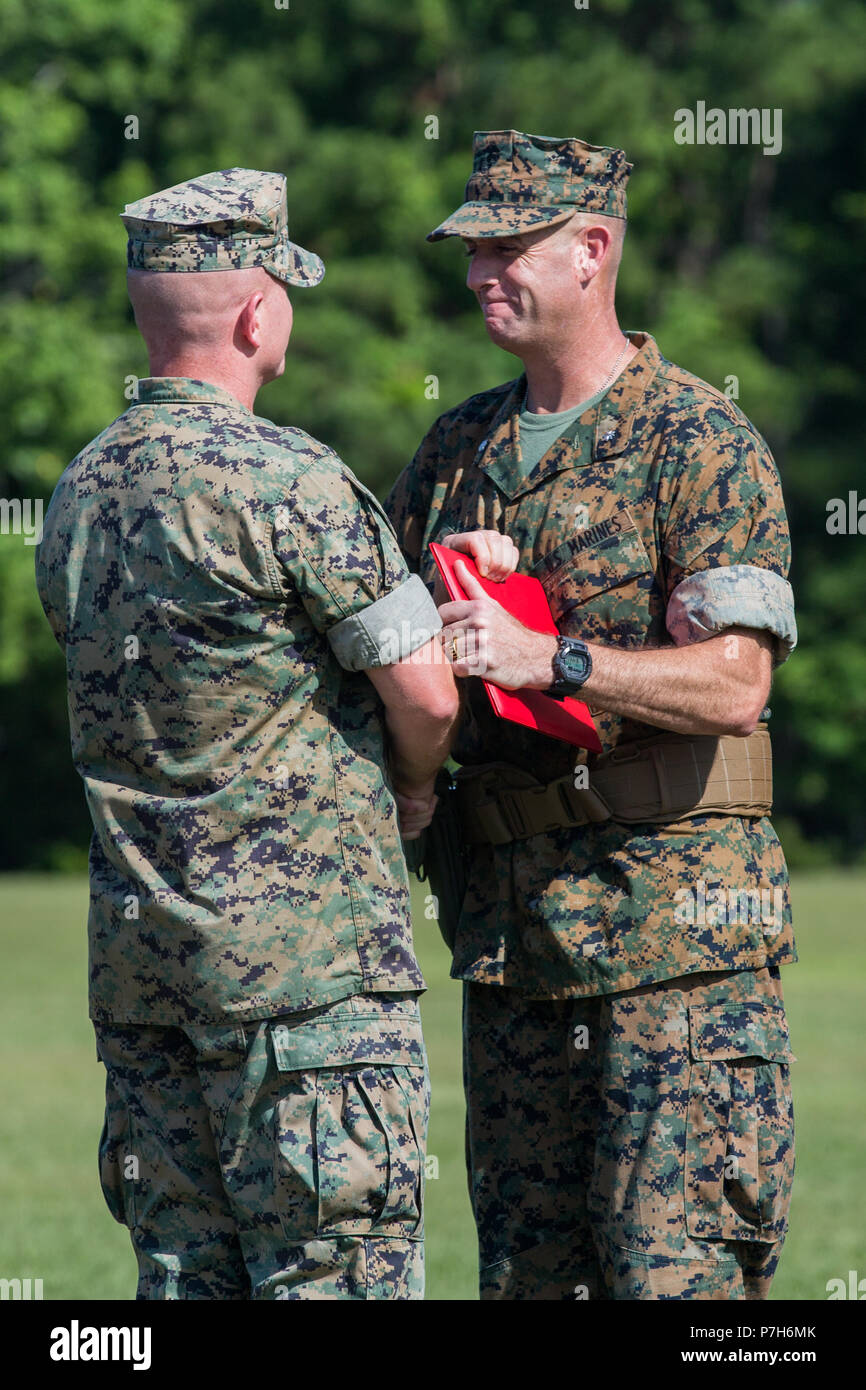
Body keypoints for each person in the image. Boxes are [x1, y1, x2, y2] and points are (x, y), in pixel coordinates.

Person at [385, 130, 799, 1300]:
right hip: (515, 954)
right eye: (471, 253)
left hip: (675, 954)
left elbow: (735, 683)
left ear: (591, 250)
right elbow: (390, 655)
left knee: (680, 1293)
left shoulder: (697, 441)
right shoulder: (456, 449)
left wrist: (551, 656)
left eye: (507, 248)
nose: (480, 274)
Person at [35, 167, 459, 1300]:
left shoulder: (78, 493)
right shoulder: (289, 479)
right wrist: (415, 791)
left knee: (183, 1284)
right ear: (256, 313)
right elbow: (426, 694)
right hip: (306, 987)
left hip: (146, 983)